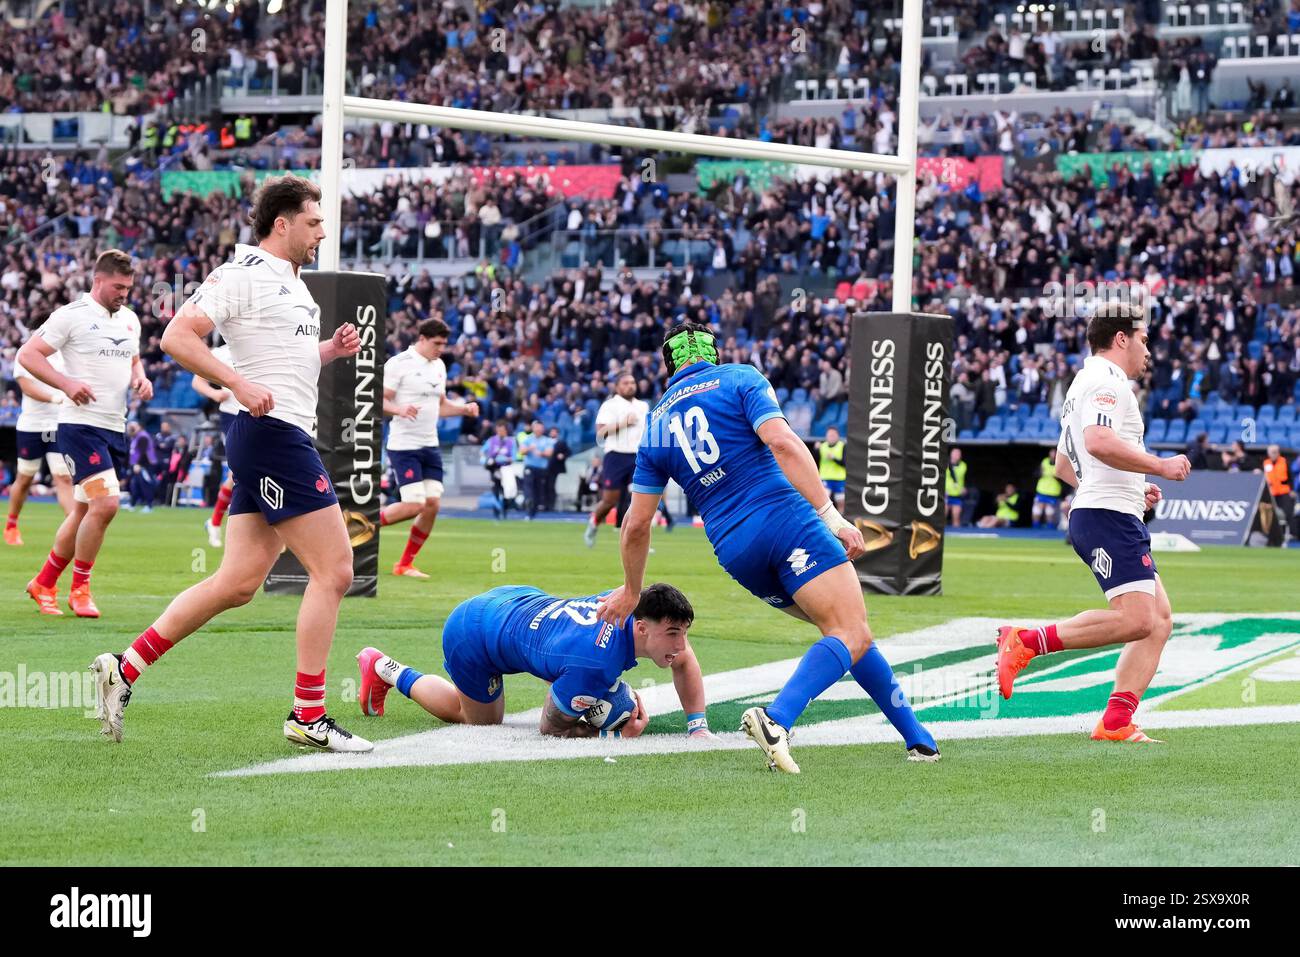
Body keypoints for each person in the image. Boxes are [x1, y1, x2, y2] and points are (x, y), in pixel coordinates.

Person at [88, 174, 373, 753]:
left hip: (276, 433)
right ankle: (308, 714)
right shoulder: (242, 273)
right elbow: (176, 336)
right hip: (271, 437)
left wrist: (330, 352)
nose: (322, 232)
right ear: (283, 223)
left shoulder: (295, 284)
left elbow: (285, 360)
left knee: (237, 583)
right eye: (314, 222)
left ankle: (126, 666)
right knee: (337, 569)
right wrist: (237, 381)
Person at [597, 322, 938, 773]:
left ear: (669, 366)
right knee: (849, 630)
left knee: (847, 631)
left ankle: (919, 740)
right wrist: (830, 516)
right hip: (784, 520)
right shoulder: (740, 378)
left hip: (734, 549)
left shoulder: (657, 422)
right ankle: (775, 720)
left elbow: (636, 523)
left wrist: (631, 589)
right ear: (712, 354)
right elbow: (781, 442)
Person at [996, 304, 1191, 744]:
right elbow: (1098, 442)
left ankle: (1117, 722)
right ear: (1120, 338)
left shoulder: (1082, 384)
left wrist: (1132, 487)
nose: (1148, 349)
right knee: (1139, 619)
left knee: (1158, 619)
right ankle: (1027, 640)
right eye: (1143, 339)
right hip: (1106, 517)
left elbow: (1065, 464)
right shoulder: (1107, 382)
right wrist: (1157, 466)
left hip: (1107, 510)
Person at [354, 582, 714, 740]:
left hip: (519, 603)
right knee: (479, 720)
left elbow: (684, 660)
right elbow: (551, 727)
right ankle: (385, 668)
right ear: (641, 628)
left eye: (683, 633)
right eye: (672, 634)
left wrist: (698, 727)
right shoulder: (596, 663)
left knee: (571, 670)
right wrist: (610, 734)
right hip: (473, 631)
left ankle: (572, 682)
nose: (681, 645)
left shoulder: (627, 601)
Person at [18, 250, 152, 618]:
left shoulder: (130, 320)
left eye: (128, 287)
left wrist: (141, 378)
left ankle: (44, 582)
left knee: (81, 512)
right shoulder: (71, 316)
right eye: (118, 286)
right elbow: (29, 355)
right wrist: (66, 383)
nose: (124, 293)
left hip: (114, 425)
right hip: (79, 426)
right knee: (106, 504)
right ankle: (80, 588)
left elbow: (133, 359)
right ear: (98, 280)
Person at [380, 317, 479, 578]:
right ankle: (358, 526)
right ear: (421, 339)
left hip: (429, 444)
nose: (441, 348)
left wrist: (463, 409)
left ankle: (404, 564)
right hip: (404, 445)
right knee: (414, 504)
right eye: (437, 343)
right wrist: (399, 409)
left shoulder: (439, 366)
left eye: (444, 344)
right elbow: (379, 400)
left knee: (432, 504)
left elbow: (441, 405)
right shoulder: (399, 364)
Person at [5, 351, 74, 545]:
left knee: (63, 477)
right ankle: (11, 524)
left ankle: (73, 526)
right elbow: (27, 388)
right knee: (25, 478)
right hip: (32, 425)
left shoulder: (65, 353)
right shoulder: (26, 352)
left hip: (58, 424)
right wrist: (55, 398)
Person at [584, 372, 648, 546]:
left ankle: (636, 542)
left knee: (639, 500)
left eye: (633, 382)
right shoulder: (610, 405)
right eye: (626, 383)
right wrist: (623, 423)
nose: (630, 386)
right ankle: (593, 523)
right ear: (618, 386)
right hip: (616, 455)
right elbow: (601, 432)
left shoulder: (643, 406)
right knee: (609, 500)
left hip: (637, 456)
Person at [190, 341, 243, 547]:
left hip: (259, 414)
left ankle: (215, 522)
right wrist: (215, 394)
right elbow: (197, 381)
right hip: (232, 414)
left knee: (241, 473)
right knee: (238, 471)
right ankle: (217, 523)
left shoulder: (258, 344)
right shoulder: (220, 353)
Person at [481, 420, 518, 519]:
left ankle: (505, 511)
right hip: (495, 468)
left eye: (502, 430)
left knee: (506, 490)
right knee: (496, 489)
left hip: (506, 468)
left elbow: (514, 457)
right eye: (498, 430)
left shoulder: (511, 441)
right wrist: (485, 460)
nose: (500, 432)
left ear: (506, 430)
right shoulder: (492, 440)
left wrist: (506, 458)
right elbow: (482, 452)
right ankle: (496, 513)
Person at [519, 419, 554, 520]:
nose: (538, 429)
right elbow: (521, 451)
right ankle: (528, 501)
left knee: (538, 491)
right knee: (529, 487)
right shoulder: (528, 439)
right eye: (536, 427)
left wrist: (541, 453)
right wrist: (530, 448)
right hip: (530, 467)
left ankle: (532, 512)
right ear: (533, 428)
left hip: (541, 469)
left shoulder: (547, 440)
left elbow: (549, 453)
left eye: (540, 427)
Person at [124, 421, 159, 512]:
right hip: (137, 465)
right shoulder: (136, 437)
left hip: (144, 465)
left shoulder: (143, 437)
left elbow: (143, 452)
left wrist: (138, 464)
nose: (130, 430)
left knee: (145, 484)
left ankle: (149, 505)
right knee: (135, 485)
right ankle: (132, 504)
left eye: (132, 428)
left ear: (139, 427)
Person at [1262, 444, 1293, 543]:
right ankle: (1270, 533)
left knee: (1288, 512)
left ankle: (1290, 533)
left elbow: (1290, 476)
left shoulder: (1284, 462)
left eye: (1275, 452)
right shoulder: (1266, 463)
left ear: (1278, 452)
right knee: (1268, 512)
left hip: (1284, 491)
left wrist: (1291, 490)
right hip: (1271, 493)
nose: (1273, 454)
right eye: (1271, 452)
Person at [815, 424, 846, 512]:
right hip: (825, 478)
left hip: (839, 479)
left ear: (837, 436)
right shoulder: (822, 446)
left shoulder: (842, 446)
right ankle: (824, 523)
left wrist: (834, 458)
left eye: (833, 435)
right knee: (824, 503)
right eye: (829, 435)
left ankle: (840, 523)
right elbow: (815, 461)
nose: (831, 437)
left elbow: (844, 463)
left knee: (841, 503)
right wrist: (816, 450)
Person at [1033, 448, 1064, 528]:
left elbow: (1064, 478)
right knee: (1037, 509)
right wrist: (1040, 472)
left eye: (1055, 453)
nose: (1053, 455)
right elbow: (1036, 474)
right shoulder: (1044, 462)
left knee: (1049, 511)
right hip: (1042, 490)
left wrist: (1057, 477)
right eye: (1052, 453)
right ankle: (1035, 526)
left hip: (1053, 491)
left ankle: (1050, 528)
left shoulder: (1060, 462)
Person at [545, 425, 570, 511]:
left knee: (551, 486)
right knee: (543, 485)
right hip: (544, 467)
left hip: (554, 468)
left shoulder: (561, 443)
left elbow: (568, 452)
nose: (553, 433)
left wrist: (563, 455)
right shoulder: (545, 442)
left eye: (554, 432)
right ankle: (543, 504)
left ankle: (551, 504)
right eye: (552, 431)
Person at [946, 446, 967, 527]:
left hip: (957, 495)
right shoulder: (945, 464)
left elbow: (957, 475)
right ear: (951, 454)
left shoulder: (963, 465)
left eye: (958, 454)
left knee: (956, 518)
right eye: (954, 453)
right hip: (946, 495)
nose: (956, 455)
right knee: (942, 517)